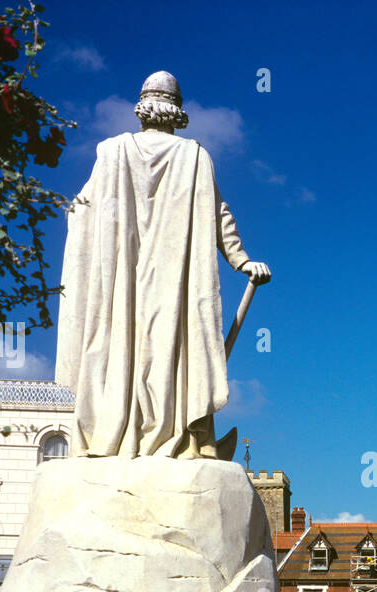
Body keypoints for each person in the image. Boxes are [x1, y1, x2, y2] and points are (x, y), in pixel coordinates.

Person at [56, 71, 272, 459]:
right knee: (171, 355)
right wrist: (241, 260)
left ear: (142, 108)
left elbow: (79, 210)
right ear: (177, 112)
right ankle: (177, 436)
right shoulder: (193, 156)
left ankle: (120, 434)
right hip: (174, 283)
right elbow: (220, 215)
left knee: (116, 348)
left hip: (121, 279)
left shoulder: (112, 152)